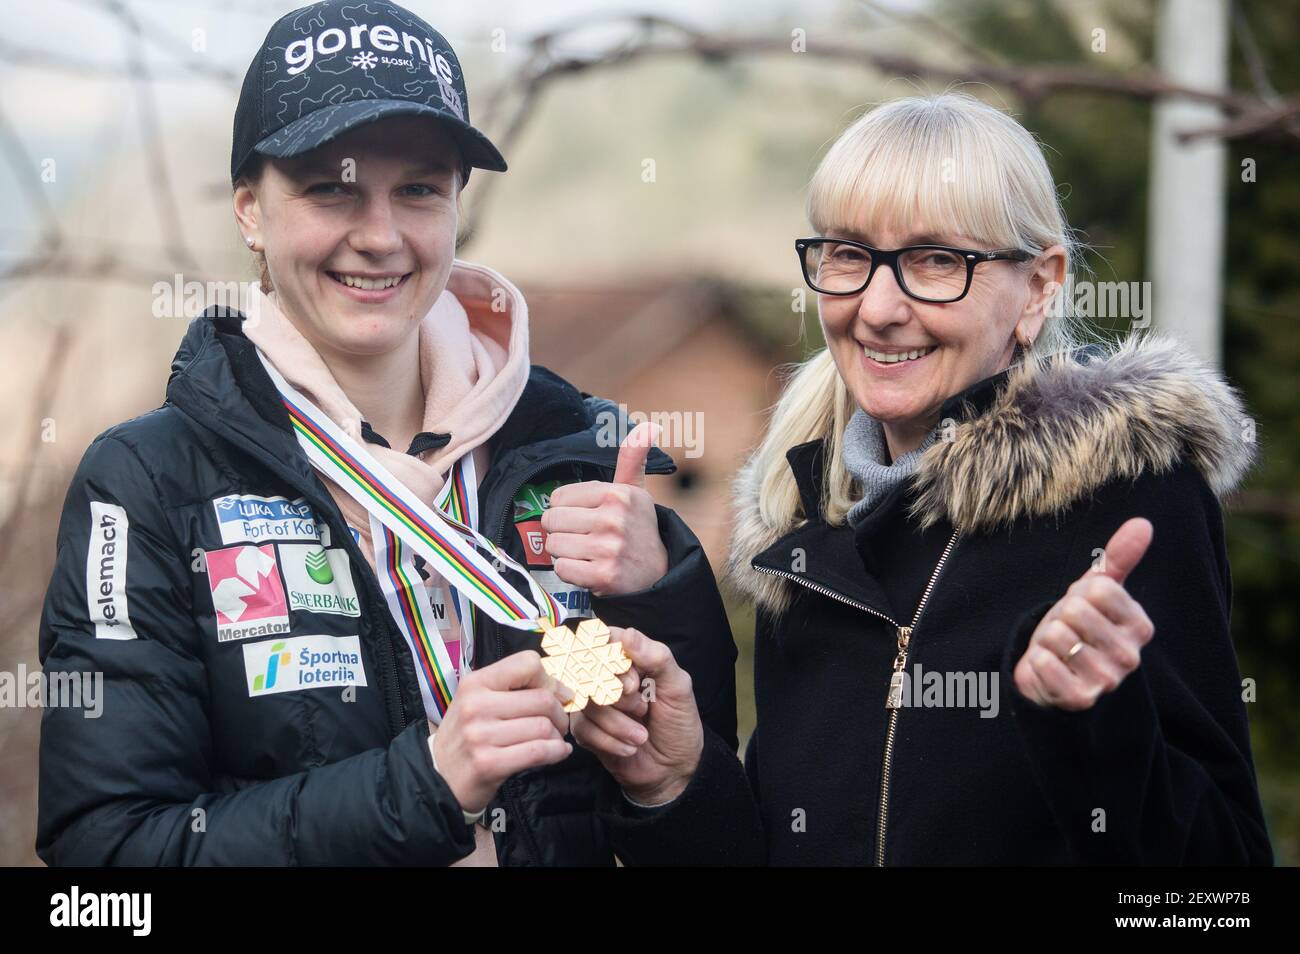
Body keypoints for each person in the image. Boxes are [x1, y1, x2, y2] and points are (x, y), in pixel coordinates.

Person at [35, 0, 736, 866]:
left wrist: (666, 774)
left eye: (418, 190)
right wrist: (419, 788)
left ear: (455, 207)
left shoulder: (580, 455)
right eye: (332, 187)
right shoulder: (147, 485)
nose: (380, 236)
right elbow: (103, 868)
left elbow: (723, 836)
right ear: (250, 210)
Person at [577, 92, 1273, 865]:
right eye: (848, 255)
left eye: (936, 260)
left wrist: (1098, 725)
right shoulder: (802, 531)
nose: (877, 309)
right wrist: (673, 785)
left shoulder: (1127, 503)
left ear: (1039, 287)